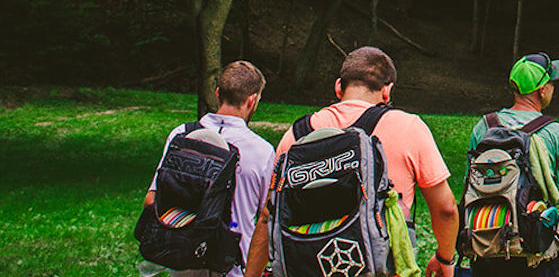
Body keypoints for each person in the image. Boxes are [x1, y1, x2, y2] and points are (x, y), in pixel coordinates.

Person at [243, 46, 459, 277]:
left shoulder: (297, 135)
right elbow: (446, 209)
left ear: (338, 87)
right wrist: (444, 258)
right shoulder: (408, 127)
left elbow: (269, 216)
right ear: (387, 91)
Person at [466, 52, 559, 277]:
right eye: (551, 83)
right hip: (534, 246)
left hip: (486, 243)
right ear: (541, 90)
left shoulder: (483, 127)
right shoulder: (555, 133)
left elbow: (469, 186)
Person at [143, 60, 275, 277]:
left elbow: (151, 200)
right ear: (252, 100)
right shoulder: (262, 151)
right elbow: (265, 218)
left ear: (217, 93)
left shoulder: (181, 135)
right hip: (232, 265)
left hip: (182, 260)